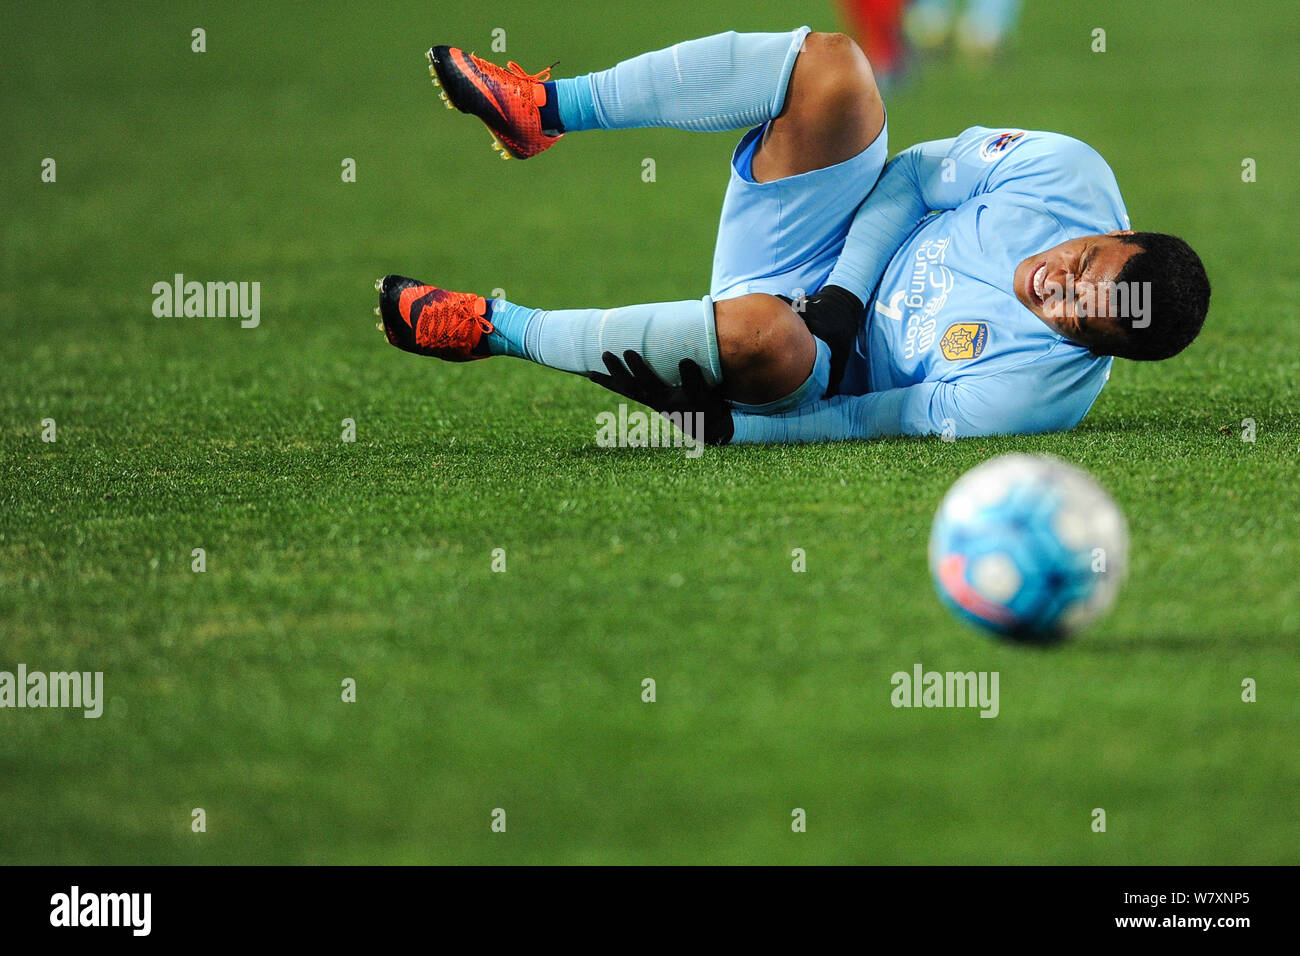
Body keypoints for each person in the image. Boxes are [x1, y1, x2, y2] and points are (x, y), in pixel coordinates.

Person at [377, 28, 1209, 446]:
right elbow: (912, 177)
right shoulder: (1067, 173)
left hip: (806, 358)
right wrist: (845, 289)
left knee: (767, 335)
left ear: (1098, 353)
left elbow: (865, 421)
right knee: (835, 67)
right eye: (1084, 264)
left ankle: (492, 328)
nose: (1056, 286)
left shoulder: (1036, 398)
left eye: (1076, 315)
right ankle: (545, 109)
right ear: (1117, 230)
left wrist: (728, 430)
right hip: (828, 235)